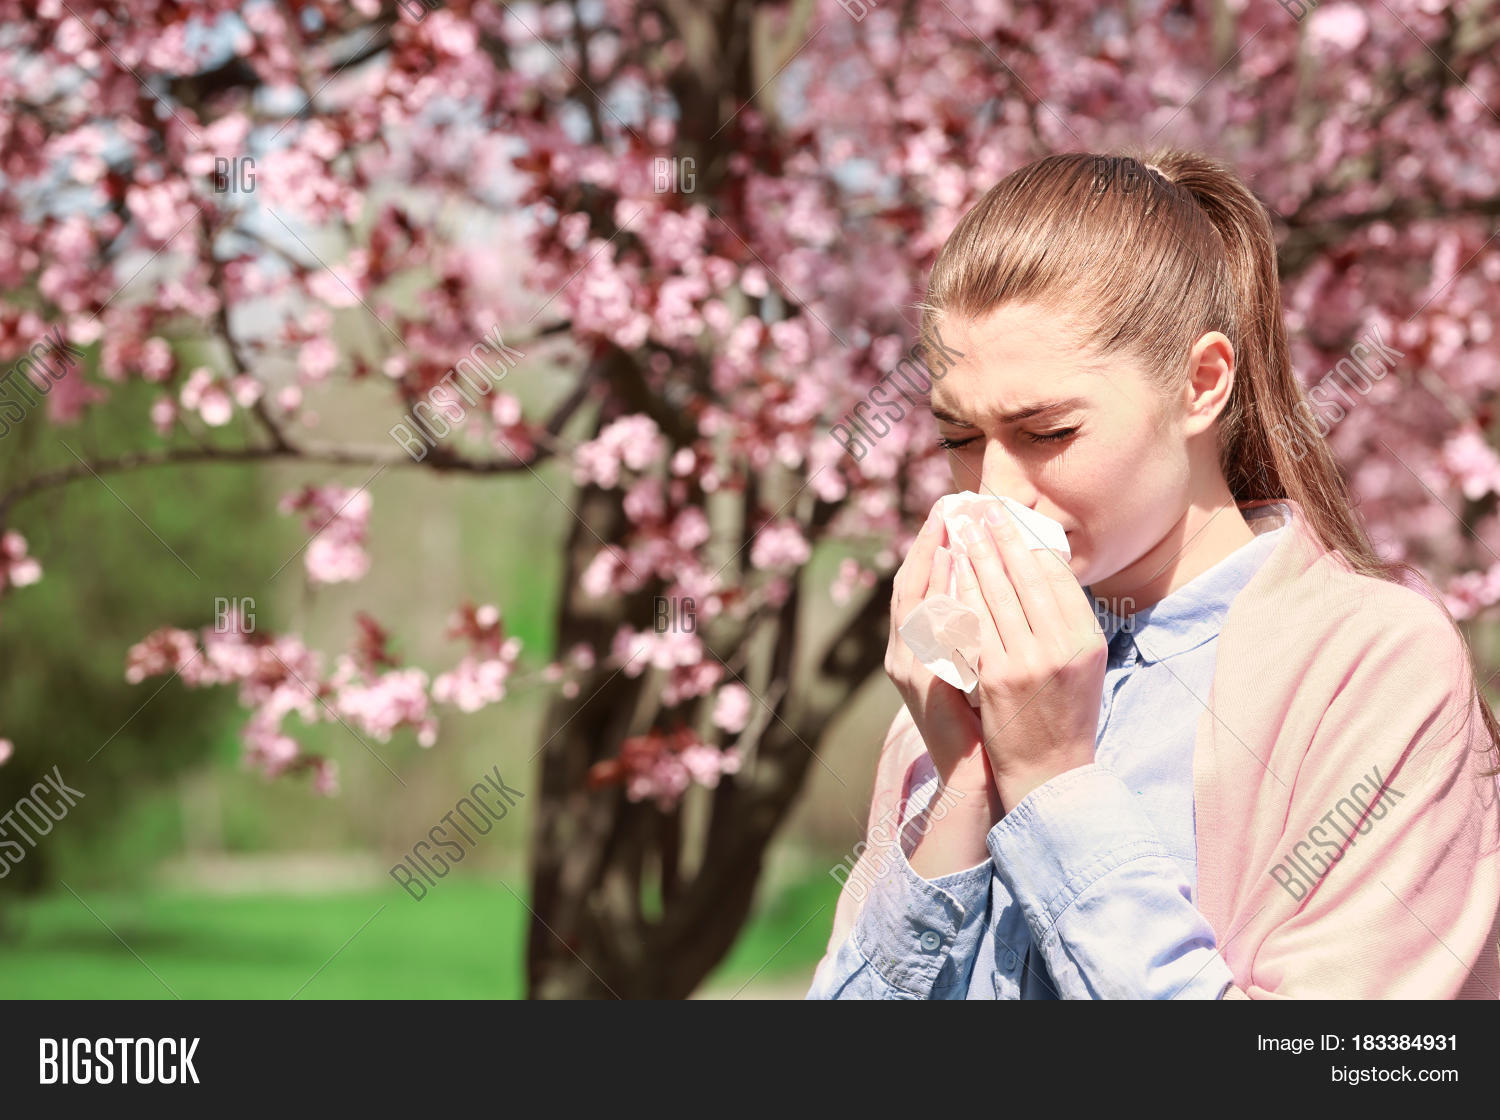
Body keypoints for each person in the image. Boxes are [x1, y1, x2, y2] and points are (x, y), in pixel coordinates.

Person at [807, 150, 1500, 1000]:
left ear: (1201, 383)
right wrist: (963, 788)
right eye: (959, 439)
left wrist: (1053, 783)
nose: (991, 489)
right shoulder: (956, 686)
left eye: (1047, 431)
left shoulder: (1371, 666)